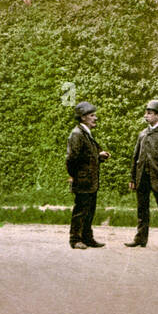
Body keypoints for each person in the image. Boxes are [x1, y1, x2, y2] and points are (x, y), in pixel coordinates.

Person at [125, 99, 158, 251]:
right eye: (146, 112)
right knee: (142, 209)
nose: (146, 115)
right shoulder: (143, 134)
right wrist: (132, 178)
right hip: (142, 178)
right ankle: (140, 238)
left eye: (149, 113)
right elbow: (135, 158)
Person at [66, 101, 109, 250]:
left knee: (89, 210)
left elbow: (85, 156)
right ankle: (75, 239)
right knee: (80, 211)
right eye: (92, 115)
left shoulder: (85, 133)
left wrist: (98, 156)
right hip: (83, 180)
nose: (95, 118)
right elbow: (71, 159)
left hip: (90, 181)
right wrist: (75, 176)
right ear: (83, 117)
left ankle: (87, 238)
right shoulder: (77, 134)